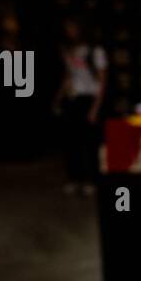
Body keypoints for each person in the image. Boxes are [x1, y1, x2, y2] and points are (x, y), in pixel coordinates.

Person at [53, 17, 107, 194]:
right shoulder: (68, 51)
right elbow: (69, 76)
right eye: (67, 28)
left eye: (73, 27)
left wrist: (95, 108)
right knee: (71, 141)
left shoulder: (95, 51)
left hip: (89, 98)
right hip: (73, 98)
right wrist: (59, 98)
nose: (70, 31)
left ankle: (92, 179)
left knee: (90, 143)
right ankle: (75, 177)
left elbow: (101, 81)